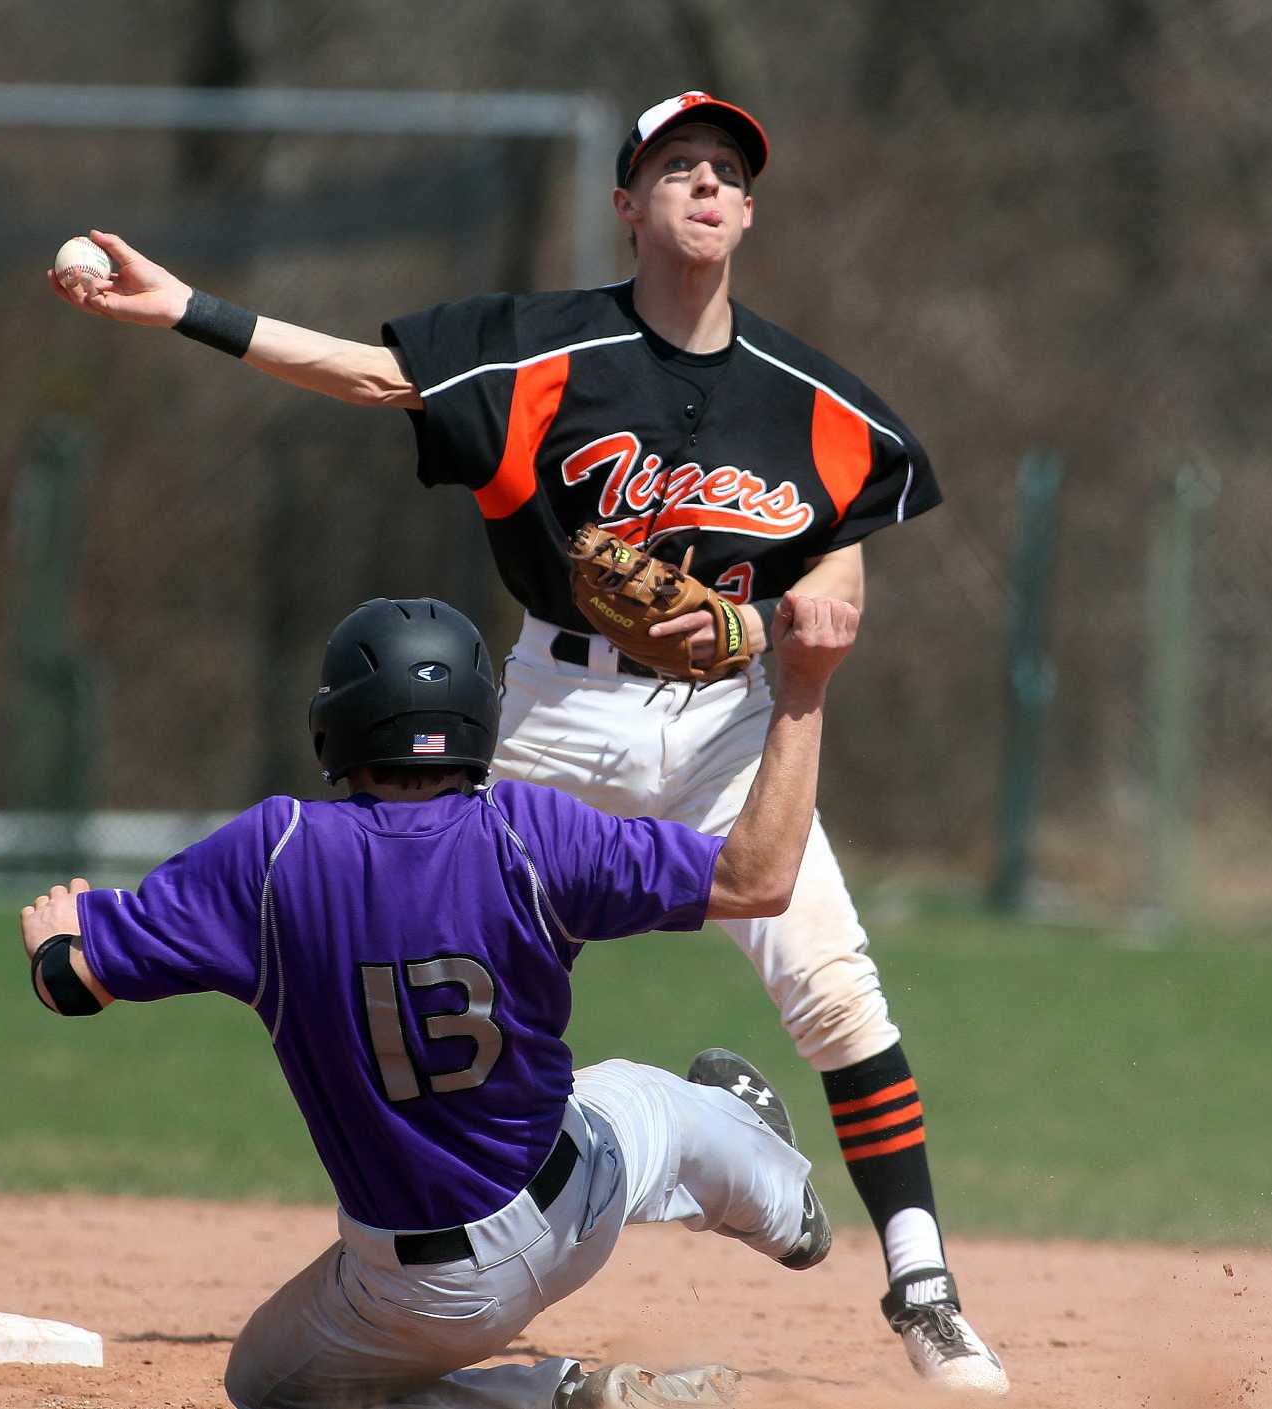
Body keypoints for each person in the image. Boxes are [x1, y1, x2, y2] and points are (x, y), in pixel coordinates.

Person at [49, 90, 1007, 1396]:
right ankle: (452, 1238)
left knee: (834, 989)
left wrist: (799, 615)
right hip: (563, 708)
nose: (709, 185)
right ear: (629, 202)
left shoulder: (809, 397)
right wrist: (190, 312)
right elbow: (377, 375)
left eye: (729, 170)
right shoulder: (542, 353)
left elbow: (857, 508)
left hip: (731, 725)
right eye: (680, 167)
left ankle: (925, 1286)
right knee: (432, 927)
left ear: (751, 210)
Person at [19, 592, 859, 1409]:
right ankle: (786, 1204)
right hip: (571, 1202)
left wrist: (55, 938)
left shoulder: (271, 857)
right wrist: (804, 688)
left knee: (267, 1386)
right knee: (653, 1106)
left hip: (417, 1295)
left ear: (334, 725)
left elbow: (71, 983)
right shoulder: (531, 830)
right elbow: (759, 878)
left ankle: (553, 1394)